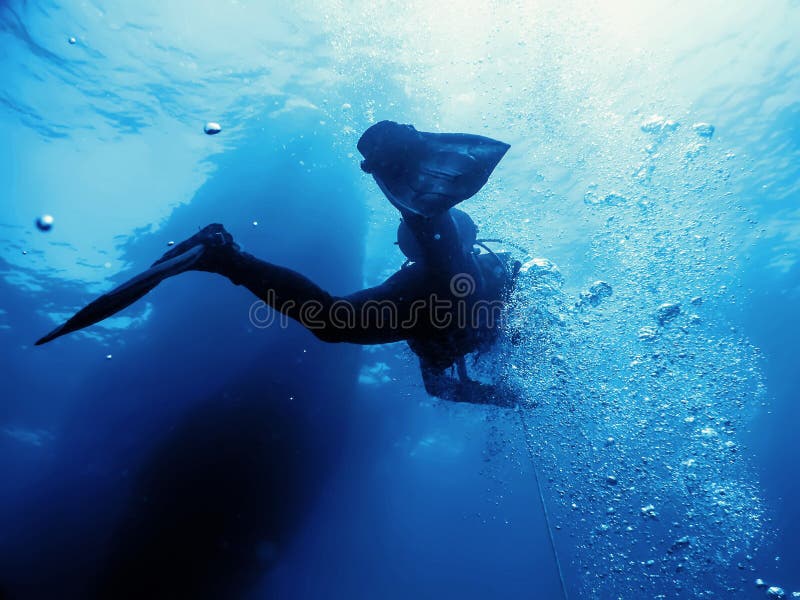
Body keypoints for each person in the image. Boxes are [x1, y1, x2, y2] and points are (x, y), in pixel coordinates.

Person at [35, 121, 518, 406]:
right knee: (445, 261)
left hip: (431, 291)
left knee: (332, 323)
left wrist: (496, 396)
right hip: (449, 282)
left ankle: (222, 256)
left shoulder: (452, 348)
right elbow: (477, 273)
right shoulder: (496, 294)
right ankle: (407, 174)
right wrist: (495, 393)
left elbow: (439, 389)